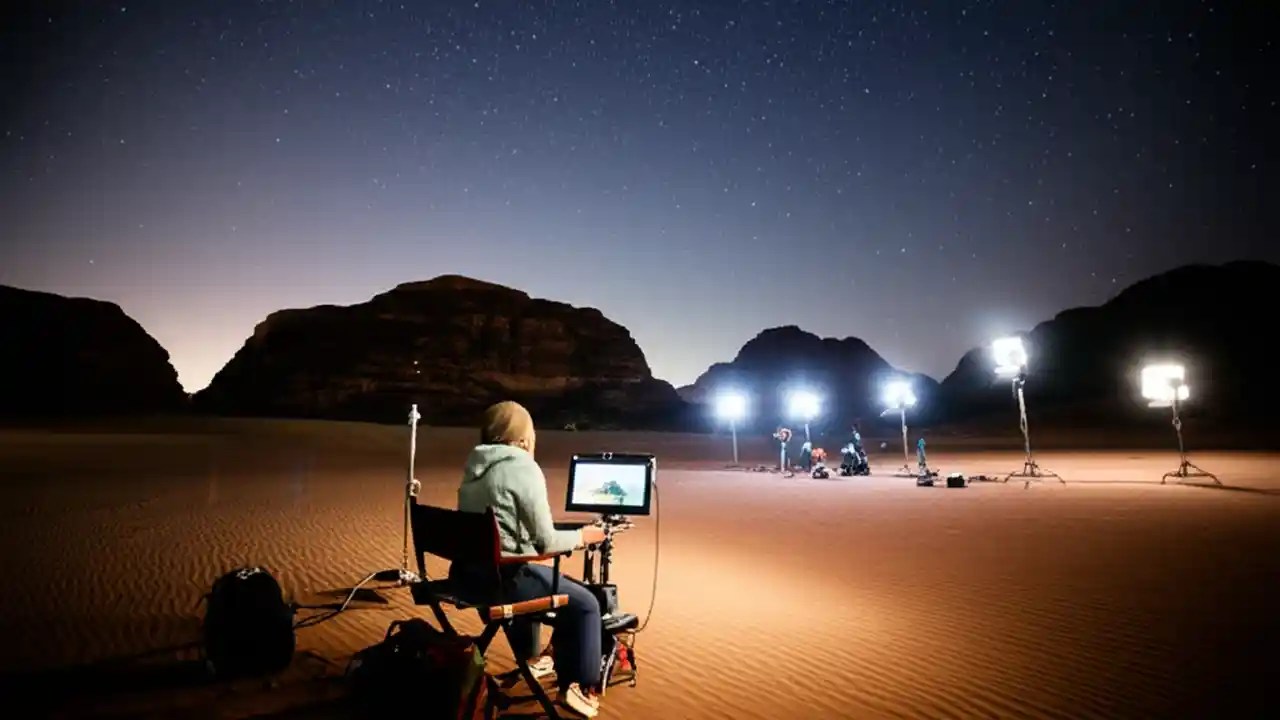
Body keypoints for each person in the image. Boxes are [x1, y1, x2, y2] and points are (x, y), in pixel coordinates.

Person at [448, 401, 607, 719]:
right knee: (589, 602)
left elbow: (500, 526)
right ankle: (581, 686)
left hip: (468, 577)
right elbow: (546, 541)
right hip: (502, 582)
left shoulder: (475, 466)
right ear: (522, 437)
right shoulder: (522, 467)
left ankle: (534, 660)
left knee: (547, 581)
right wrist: (584, 537)